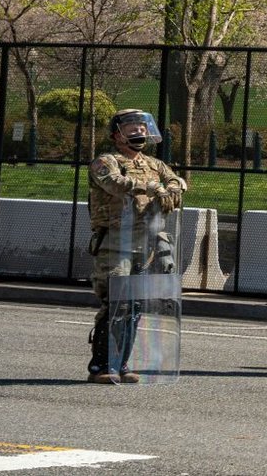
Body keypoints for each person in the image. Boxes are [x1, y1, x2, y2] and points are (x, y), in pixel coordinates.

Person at [86, 109, 186, 383]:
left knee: (135, 305)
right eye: (131, 127)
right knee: (115, 302)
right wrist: (152, 187)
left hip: (146, 243)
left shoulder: (155, 163)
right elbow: (114, 183)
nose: (138, 132)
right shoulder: (106, 162)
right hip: (116, 244)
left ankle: (122, 364)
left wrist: (174, 189)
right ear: (117, 134)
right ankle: (102, 366)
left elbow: (176, 180)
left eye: (142, 127)